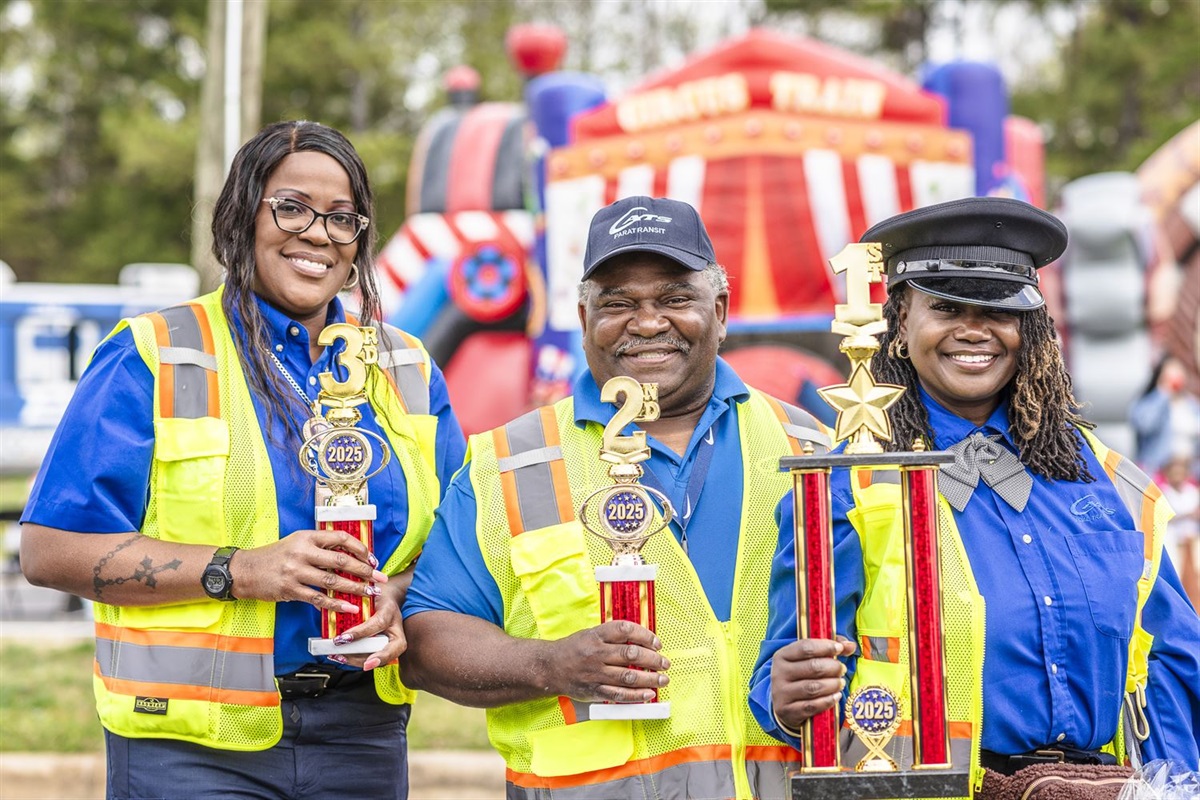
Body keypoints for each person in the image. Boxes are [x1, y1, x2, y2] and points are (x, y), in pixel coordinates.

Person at [20, 120, 466, 800]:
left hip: (362, 732)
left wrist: (397, 599)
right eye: (291, 207)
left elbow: (453, 551)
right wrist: (242, 570)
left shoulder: (405, 367)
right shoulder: (155, 354)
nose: (318, 233)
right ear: (241, 216)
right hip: (189, 748)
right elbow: (49, 550)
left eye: (342, 218)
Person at [750, 197, 1200, 785]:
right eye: (944, 307)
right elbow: (790, 684)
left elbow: (1170, 663)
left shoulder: (1106, 477)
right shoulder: (845, 484)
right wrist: (786, 699)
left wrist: (1175, 786)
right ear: (899, 324)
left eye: (999, 311)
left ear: (1029, 327)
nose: (973, 330)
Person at [400, 196, 831, 800]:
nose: (648, 322)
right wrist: (551, 665)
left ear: (722, 310)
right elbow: (425, 641)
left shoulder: (815, 448)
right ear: (583, 318)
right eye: (619, 303)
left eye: (677, 298)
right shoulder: (510, 460)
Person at [1130, 354, 1200, 479]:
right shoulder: (1150, 401)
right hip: (1159, 473)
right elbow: (1145, 425)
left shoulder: (1192, 405)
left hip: (1188, 474)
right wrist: (1162, 393)